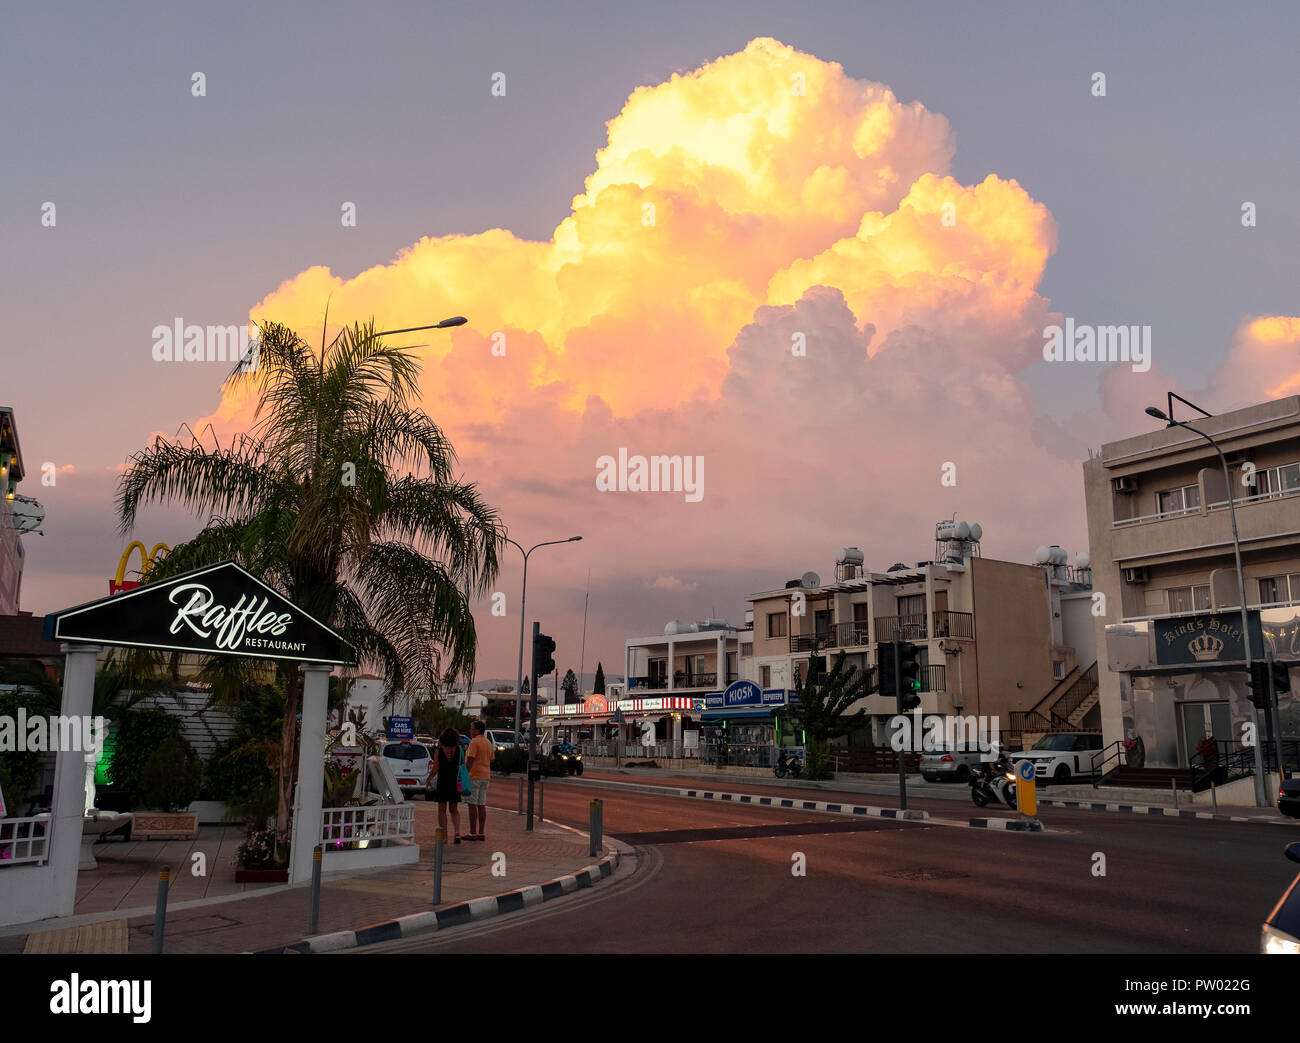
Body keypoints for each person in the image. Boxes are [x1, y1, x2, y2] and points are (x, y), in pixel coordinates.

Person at [428, 728, 464, 843]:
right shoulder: (459, 750)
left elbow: (435, 768)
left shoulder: (439, 750)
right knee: (454, 809)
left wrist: (428, 780)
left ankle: (444, 836)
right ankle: (457, 833)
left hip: (443, 781)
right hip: (455, 782)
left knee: (442, 810)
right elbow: (462, 765)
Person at [464, 720, 495, 841]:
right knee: (481, 804)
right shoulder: (488, 742)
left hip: (474, 776)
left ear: (477, 730)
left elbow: (470, 759)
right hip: (485, 776)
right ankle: (481, 832)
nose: (470, 731)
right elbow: (492, 759)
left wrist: (465, 774)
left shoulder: (474, 742)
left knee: (472, 805)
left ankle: (472, 833)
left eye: (472, 728)